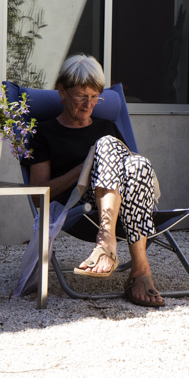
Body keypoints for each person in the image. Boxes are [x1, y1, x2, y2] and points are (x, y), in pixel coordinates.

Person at [27, 52, 164, 309]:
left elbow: (132, 175)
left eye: (94, 97)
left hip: (128, 206)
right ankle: (130, 262)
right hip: (80, 209)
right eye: (81, 96)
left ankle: (128, 262)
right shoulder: (43, 132)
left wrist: (102, 159)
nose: (89, 104)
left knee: (138, 163)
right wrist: (85, 169)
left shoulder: (106, 126)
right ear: (62, 92)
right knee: (105, 145)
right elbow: (37, 196)